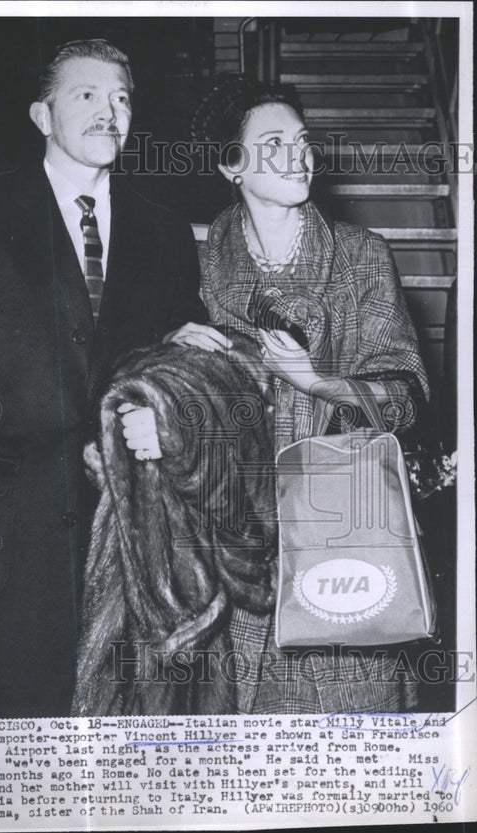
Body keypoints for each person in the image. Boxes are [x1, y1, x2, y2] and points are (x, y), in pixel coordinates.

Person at [0, 39, 210, 720]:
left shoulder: (165, 234)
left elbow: (184, 369)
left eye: (122, 97)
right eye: (87, 95)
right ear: (42, 115)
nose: (110, 111)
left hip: (127, 553)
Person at [124, 76, 430, 713]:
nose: (300, 155)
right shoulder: (194, 269)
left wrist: (315, 382)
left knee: (357, 759)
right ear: (230, 165)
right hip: (237, 558)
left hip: (345, 541)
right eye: (273, 143)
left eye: (302, 140)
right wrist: (169, 385)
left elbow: (405, 397)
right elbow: (160, 399)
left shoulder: (362, 257)